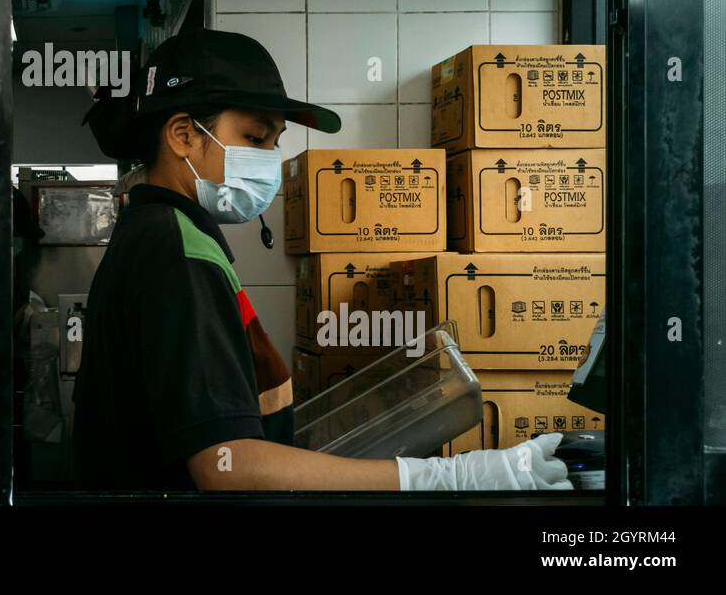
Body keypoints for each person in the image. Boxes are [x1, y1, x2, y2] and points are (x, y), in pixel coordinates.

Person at [71, 27, 571, 493]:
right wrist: (436, 477)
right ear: (184, 135)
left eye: (275, 142)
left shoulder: (160, 228)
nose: (270, 158)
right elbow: (223, 463)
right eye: (255, 138)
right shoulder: (175, 250)